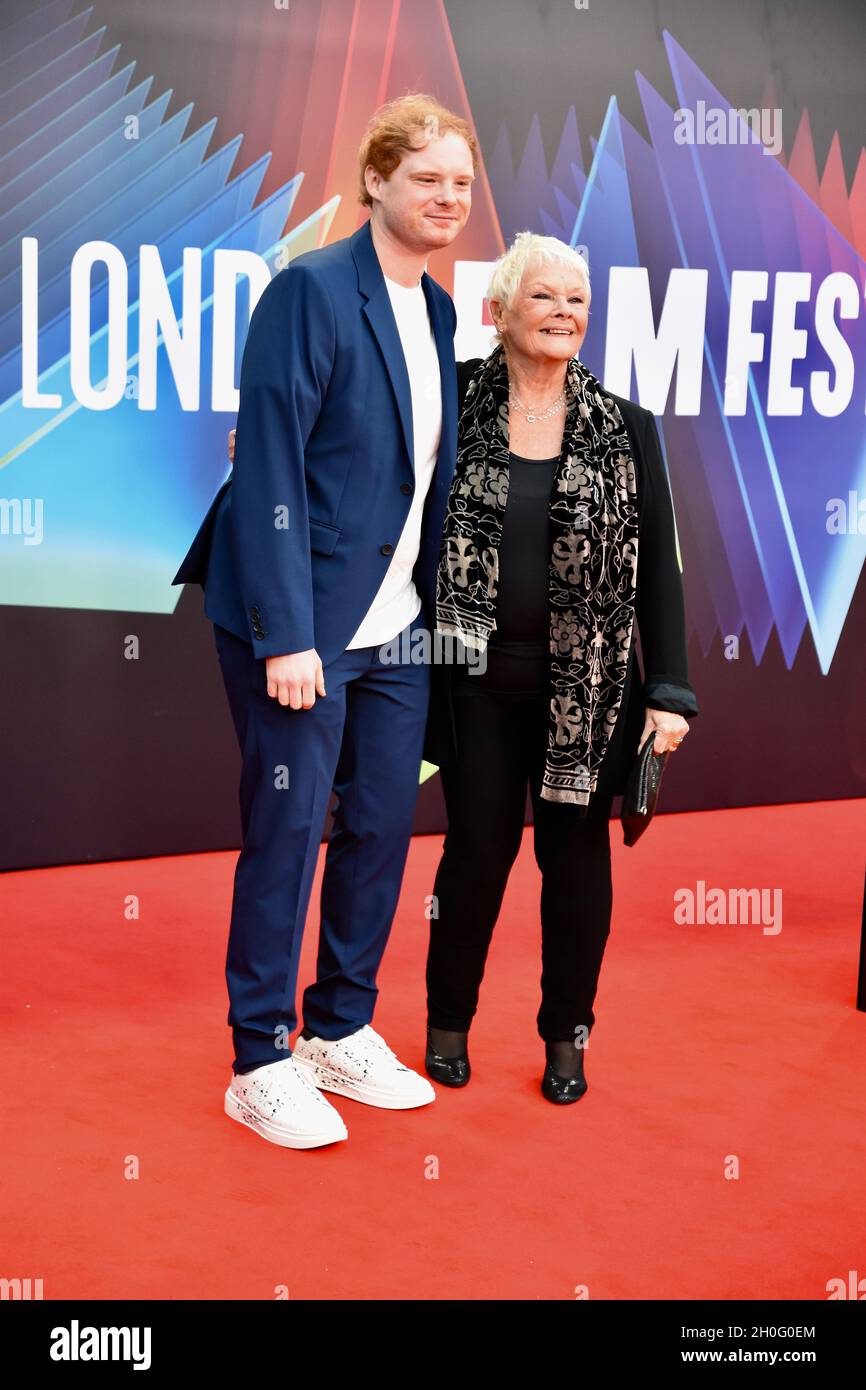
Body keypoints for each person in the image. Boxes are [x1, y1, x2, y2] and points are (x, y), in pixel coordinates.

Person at [172, 94, 479, 1149]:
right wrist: (286, 635)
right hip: (297, 621)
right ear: (378, 181)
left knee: (383, 824)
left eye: (461, 185)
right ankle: (257, 1054)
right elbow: (266, 467)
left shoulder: (436, 309)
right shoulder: (309, 290)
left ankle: (338, 1026)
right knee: (290, 830)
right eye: (428, 178)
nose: (447, 199)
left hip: (394, 625)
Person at [422, 231, 699, 1104]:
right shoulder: (451, 400)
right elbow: (373, 477)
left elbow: (661, 569)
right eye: (545, 297)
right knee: (475, 855)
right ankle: (446, 1025)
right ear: (497, 312)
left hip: (590, 696)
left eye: (577, 300)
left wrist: (670, 692)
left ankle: (566, 1040)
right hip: (473, 685)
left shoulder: (627, 427)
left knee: (576, 867)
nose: (565, 312)